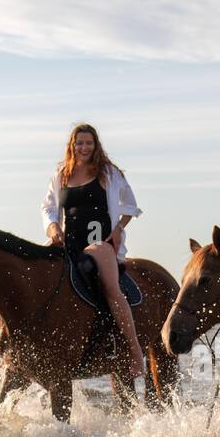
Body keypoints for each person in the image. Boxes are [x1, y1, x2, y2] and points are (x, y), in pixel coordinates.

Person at [41, 123, 145, 380]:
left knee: (111, 286)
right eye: (80, 143)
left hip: (100, 243)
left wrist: (119, 228)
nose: (84, 147)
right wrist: (53, 227)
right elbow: (48, 207)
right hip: (69, 243)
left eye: (89, 143)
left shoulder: (108, 173)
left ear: (95, 145)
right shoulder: (61, 174)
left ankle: (134, 353)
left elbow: (130, 206)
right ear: (72, 146)